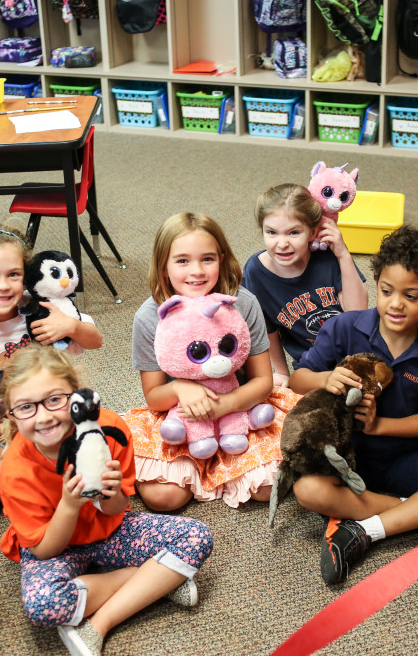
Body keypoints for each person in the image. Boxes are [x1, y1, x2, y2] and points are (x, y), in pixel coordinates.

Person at [290, 225, 418, 584]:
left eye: (411, 296)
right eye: (386, 291)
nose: (395, 303)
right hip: (345, 455)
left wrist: (381, 426)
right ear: (376, 282)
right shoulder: (343, 327)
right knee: (306, 490)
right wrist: (324, 378)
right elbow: (296, 379)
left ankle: (366, 530)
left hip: (403, 458)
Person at [0, 345, 213, 656]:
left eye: (54, 400)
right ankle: (154, 581)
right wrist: (69, 506)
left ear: (76, 395)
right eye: (26, 407)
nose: (43, 417)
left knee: (196, 536)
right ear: (11, 413)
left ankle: (100, 623)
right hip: (56, 546)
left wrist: (111, 493)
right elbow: (45, 549)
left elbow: (118, 510)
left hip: (108, 529)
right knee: (44, 605)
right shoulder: (16, 468)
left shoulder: (108, 430)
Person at [125, 212, 299, 511]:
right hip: (179, 416)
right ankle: (200, 467)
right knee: (164, 499)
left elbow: (262, 381)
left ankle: (220, 464)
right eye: (182, 261)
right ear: (163, 266)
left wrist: (227, 405)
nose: (197, 271)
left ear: (222, 259)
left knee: (266, 488)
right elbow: (154, 397)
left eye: (207, 259)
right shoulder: (149, 316)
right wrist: (181, 388)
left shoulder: (242, 303)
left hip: (241, 408)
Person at [0, 224, 103, 528]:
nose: (2, 286)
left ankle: (10, 488)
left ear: (26, 276)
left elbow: (95, 341)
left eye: (13, 275)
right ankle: (44, 485)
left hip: (56, 423)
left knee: (104, 439)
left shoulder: (46, 311)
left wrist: (71, 328)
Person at [242, 183, 367, 387]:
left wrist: (343, 254)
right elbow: (267, 328)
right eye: (272, 232)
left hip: (356, 354)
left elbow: (358, 312)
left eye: (293, 233)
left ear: (313, 232)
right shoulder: (255, 272)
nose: (282, 244)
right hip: (312, 367)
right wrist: (281, 372)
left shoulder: (329, 256)